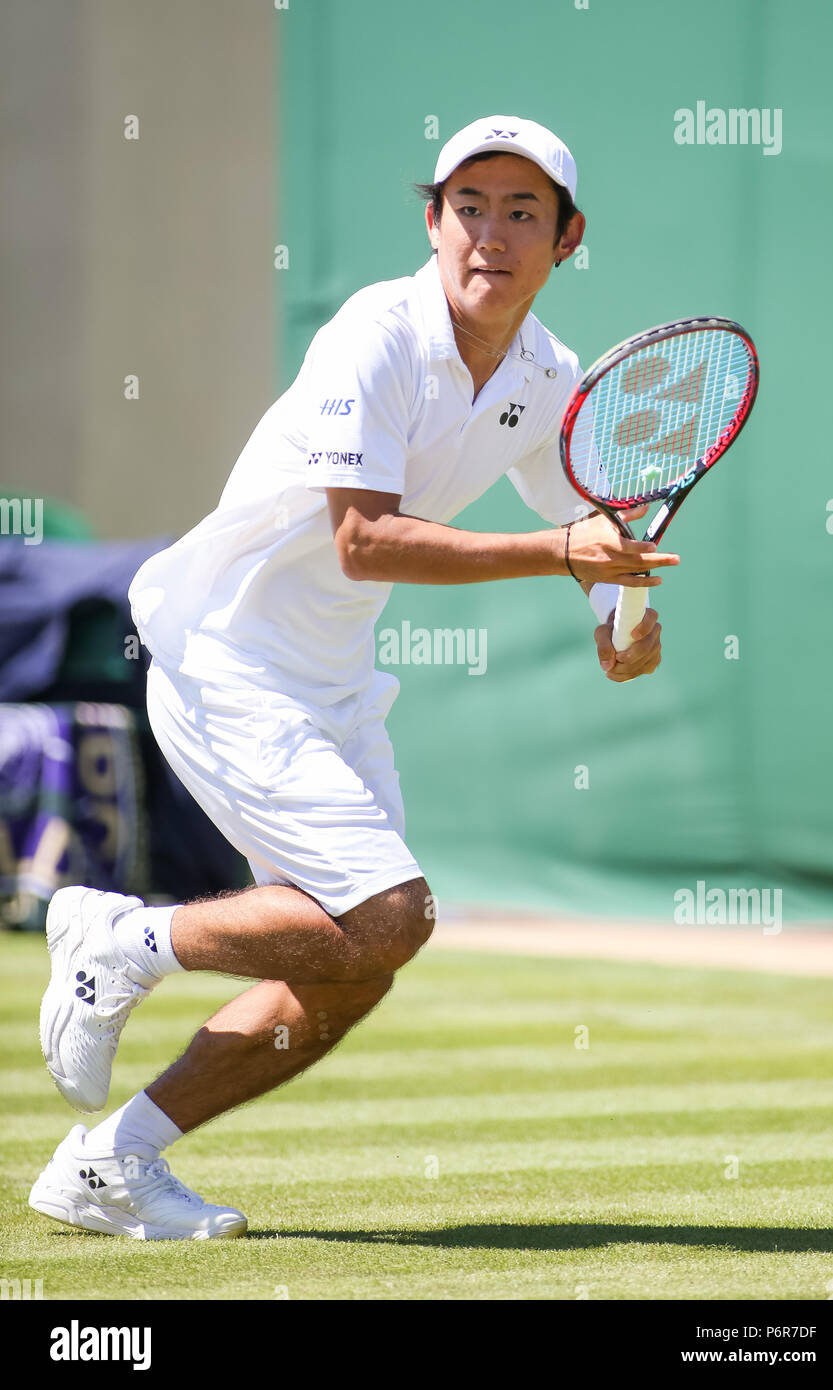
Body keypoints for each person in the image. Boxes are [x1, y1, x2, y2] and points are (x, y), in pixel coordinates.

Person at [30, 116, 677, 1240]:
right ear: (431, 223)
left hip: (329, 674)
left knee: (359, 963)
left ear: (566, 239)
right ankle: (125, 939)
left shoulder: (545, 373)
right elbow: (364, 542)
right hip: (224, 648)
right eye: (466, 205)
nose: (490, 233)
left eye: (522, 212)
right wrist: (563, 557)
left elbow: (574, 521)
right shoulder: (371, 337)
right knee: (388, 912)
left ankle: (110, 1164)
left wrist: (614, 611)